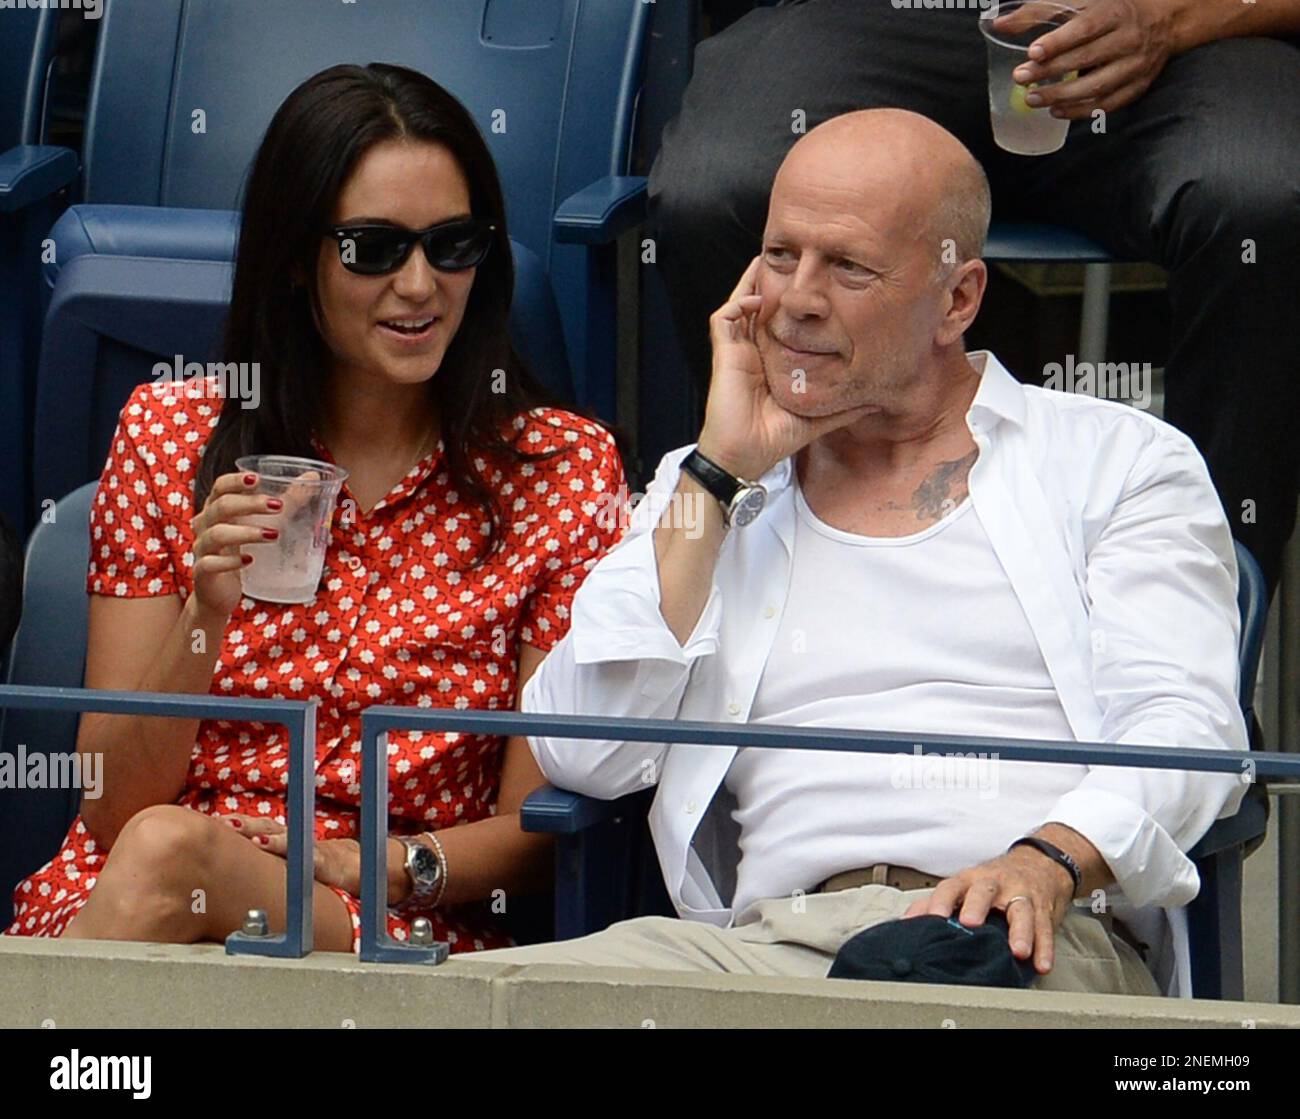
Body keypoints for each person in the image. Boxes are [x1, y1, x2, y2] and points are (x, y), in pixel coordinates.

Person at [475, 109, 1247, 997]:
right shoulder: (714, 491)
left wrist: (1048, 859)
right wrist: (719, 473)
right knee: (442, 1013)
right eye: (778, 255)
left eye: (847, 266)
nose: (797, 298)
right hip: (769, 956)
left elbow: (1187, 730)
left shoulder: (1116, 461)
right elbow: (583, 751)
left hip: (1020, 942)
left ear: (957, 299)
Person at [5, 64, 624, 952]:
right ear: (298, 260)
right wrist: (205, 615)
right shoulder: (172, 433)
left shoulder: (558, 470)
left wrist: (384, 862)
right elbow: (111, 808)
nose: (420, 284)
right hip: (134, 887)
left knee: (169, 856)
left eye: (453, 244)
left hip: (384, 917)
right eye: (374, 249)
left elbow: (538, 822)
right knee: (164, 848)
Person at [649, 0, 1300, 595]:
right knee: (714, 187)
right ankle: (774, 570)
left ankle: (1207, 617)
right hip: (873, 24)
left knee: (1259, 201)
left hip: (1181, 34)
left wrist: (1169, 17)